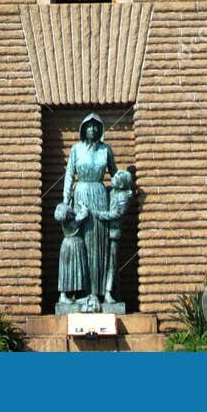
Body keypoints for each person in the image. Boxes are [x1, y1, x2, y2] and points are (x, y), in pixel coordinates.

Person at [62, 112, 115, 308]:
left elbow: (115, 175)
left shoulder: (106, 150)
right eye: (89, 126)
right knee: (80, 244)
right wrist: (66, 202)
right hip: (81, 195)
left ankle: (99, 292)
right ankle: (80, 291)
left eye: (95, 126)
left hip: (100, 196)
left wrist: (120, 194)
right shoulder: (76, 149)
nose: (92, 129)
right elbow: (69, 175)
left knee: (98, 244)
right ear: (83, 129)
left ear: (100, 129)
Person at [98, 169, 134, 303]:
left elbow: (116, 214)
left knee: (111, 264)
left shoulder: (123, 196)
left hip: (113, 233)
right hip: (103, 231)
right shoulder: (111, 191)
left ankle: (108, 292)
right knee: (103, 261)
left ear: (121, 184)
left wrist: (98, 214)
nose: (113, 178)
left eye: (116, 177)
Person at [53, 203, 87, 310]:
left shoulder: (64, 221)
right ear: (68, 214)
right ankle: (64, 296)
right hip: (74, 245)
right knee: (71, 270)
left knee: (67, 271)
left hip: (66, 245)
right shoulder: (74, 221)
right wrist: (82, 205)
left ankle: (68, 294)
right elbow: (84, 213)